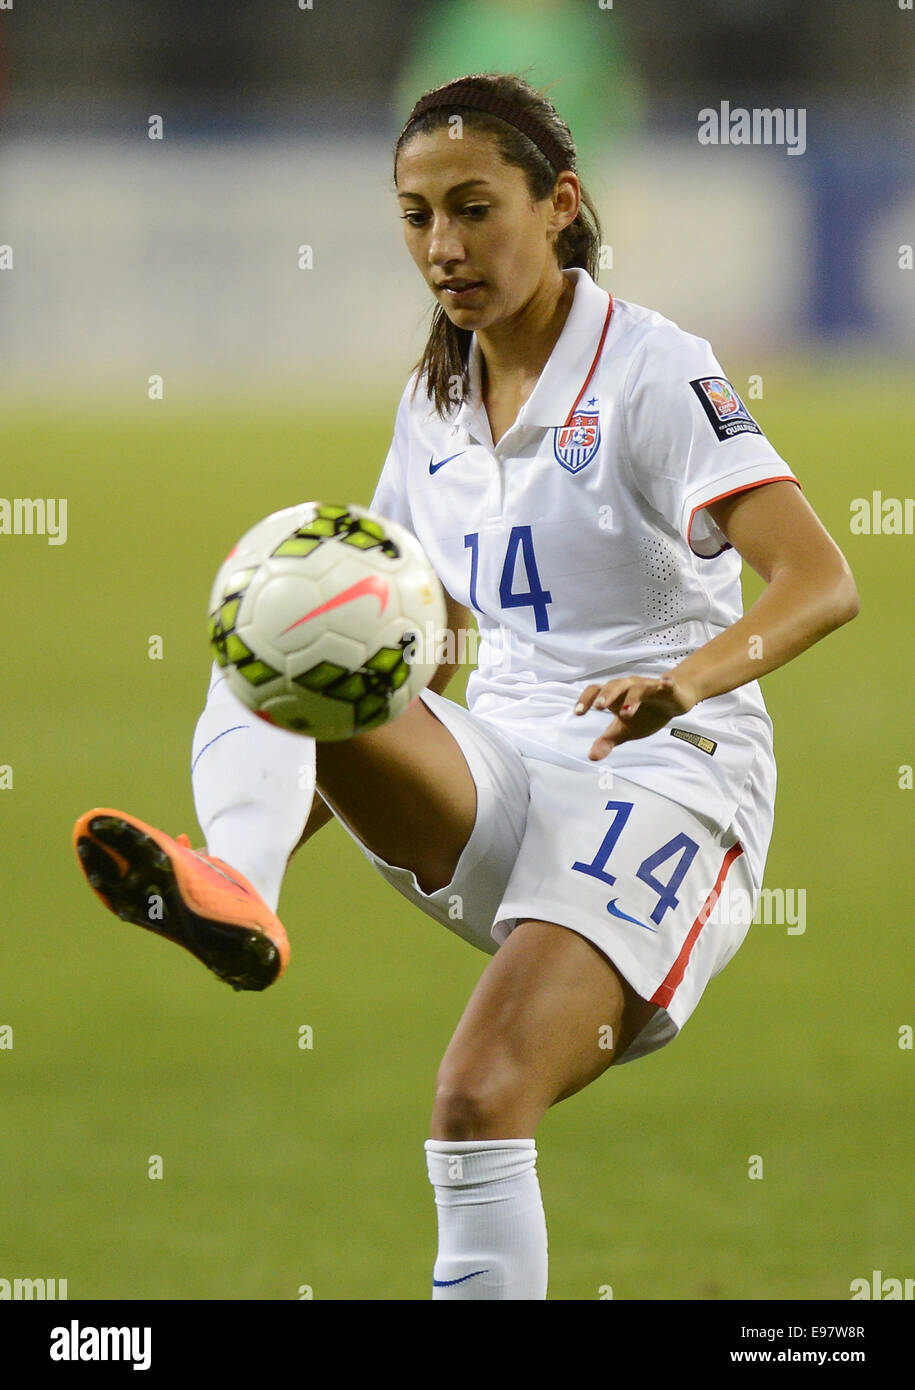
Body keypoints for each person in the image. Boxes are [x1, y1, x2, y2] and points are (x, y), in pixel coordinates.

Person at [74, 72, 859, 1300]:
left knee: (478, 1096)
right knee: (286, 616)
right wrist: (298, 788)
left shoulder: (653, 369)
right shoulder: (434, 398)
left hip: (669, 783)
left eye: (476, 208)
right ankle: (242, 879)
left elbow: (819, 581)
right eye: (416, 215)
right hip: (507, 766)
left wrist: (681, 684)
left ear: (558, 205)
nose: (444, 247)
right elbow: (414, 653)